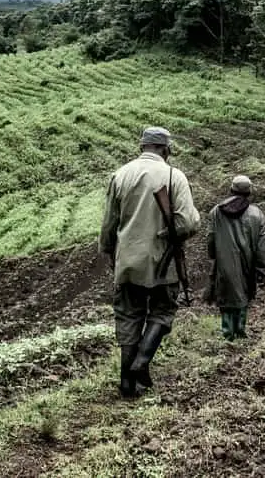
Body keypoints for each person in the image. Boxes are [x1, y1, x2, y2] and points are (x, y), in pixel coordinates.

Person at [99, 126, 201, 398]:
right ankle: (141, 363)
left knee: (129, 317)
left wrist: (111, 253)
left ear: (141, 146)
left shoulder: (120, 175)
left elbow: (108, 224)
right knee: (162, 311)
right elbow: (188, 222)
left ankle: (127, 383)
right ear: (166, 150)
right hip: (163, 261)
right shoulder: (174, 176)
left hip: (128, 260)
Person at [206, 175, 265, 340]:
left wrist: (214, 256)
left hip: (223, 263)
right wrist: (262, 268)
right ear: (249, 192)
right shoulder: (256, 214)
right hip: (247, 263)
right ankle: (240, 330)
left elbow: (210, 239)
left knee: (226, 295)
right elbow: (262, 246)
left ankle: (227, 332)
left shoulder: (216, 212)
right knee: (243, 295)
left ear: (230, 190)